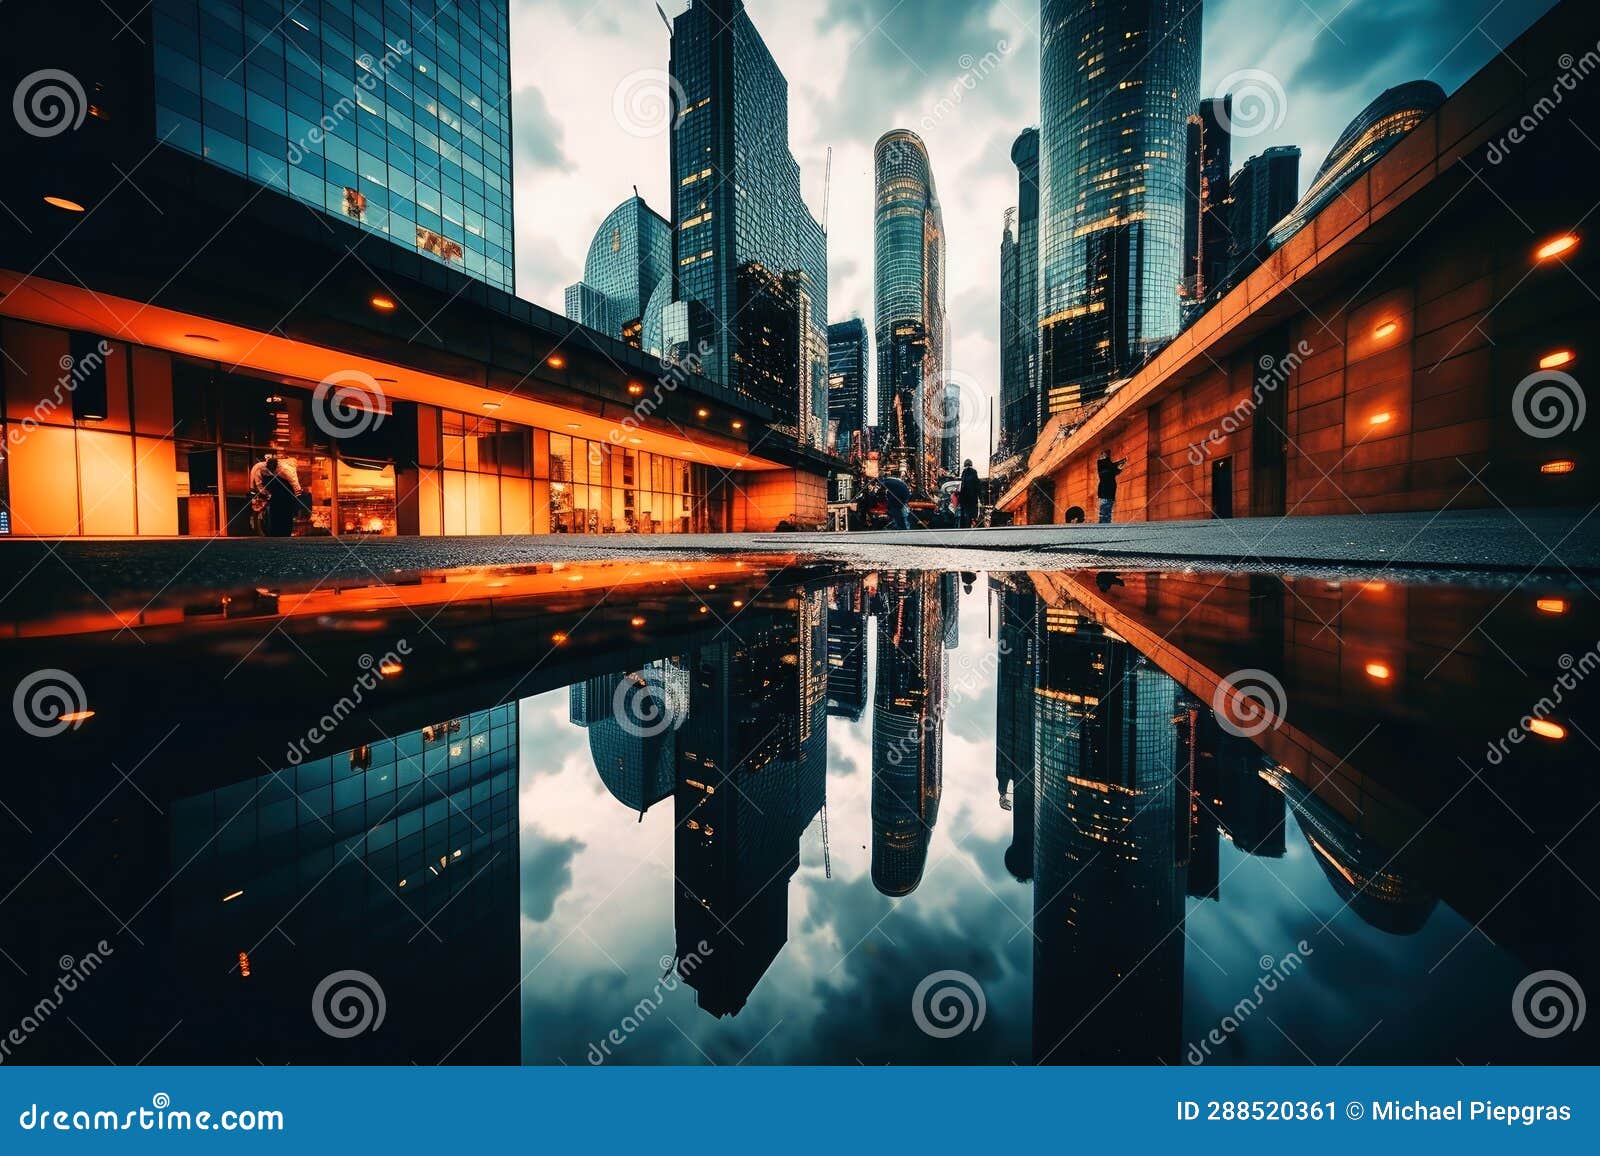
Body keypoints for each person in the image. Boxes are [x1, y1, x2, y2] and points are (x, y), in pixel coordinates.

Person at [249, 452, 302, 536]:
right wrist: (263, 492)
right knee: (275, 512)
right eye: (270, 470)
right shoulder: (259, 467)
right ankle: (274, 532)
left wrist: (297, 493)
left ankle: (285, 533)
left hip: (286, 492)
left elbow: (294, 481)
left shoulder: (286, 469)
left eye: (273, 470)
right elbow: (257, 480)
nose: (271, 472)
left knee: (286, 513)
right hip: (274, 492)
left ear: (276, 467)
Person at [1096, 450, 1125, 524]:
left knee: (1105, 513)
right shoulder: (1103, 465)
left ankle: (1103, 528)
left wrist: (1119, 466)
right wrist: (1120, 464)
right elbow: (1111, 469)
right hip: (1107, 492)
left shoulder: (1104, 466)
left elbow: (1112, 470)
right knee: (1105, 513)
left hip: (1106, 492)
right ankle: (1104, 528)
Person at [958, 459, 982, 528]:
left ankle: (964, 525)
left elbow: (962, 485)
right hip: (972, 496)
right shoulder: (974, 472)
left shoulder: (964, 472)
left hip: (964, 497)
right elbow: (977, 485)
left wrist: (960, 498)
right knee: (972, 511)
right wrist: (980, 496)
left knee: (965, 511)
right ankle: (972, 523)